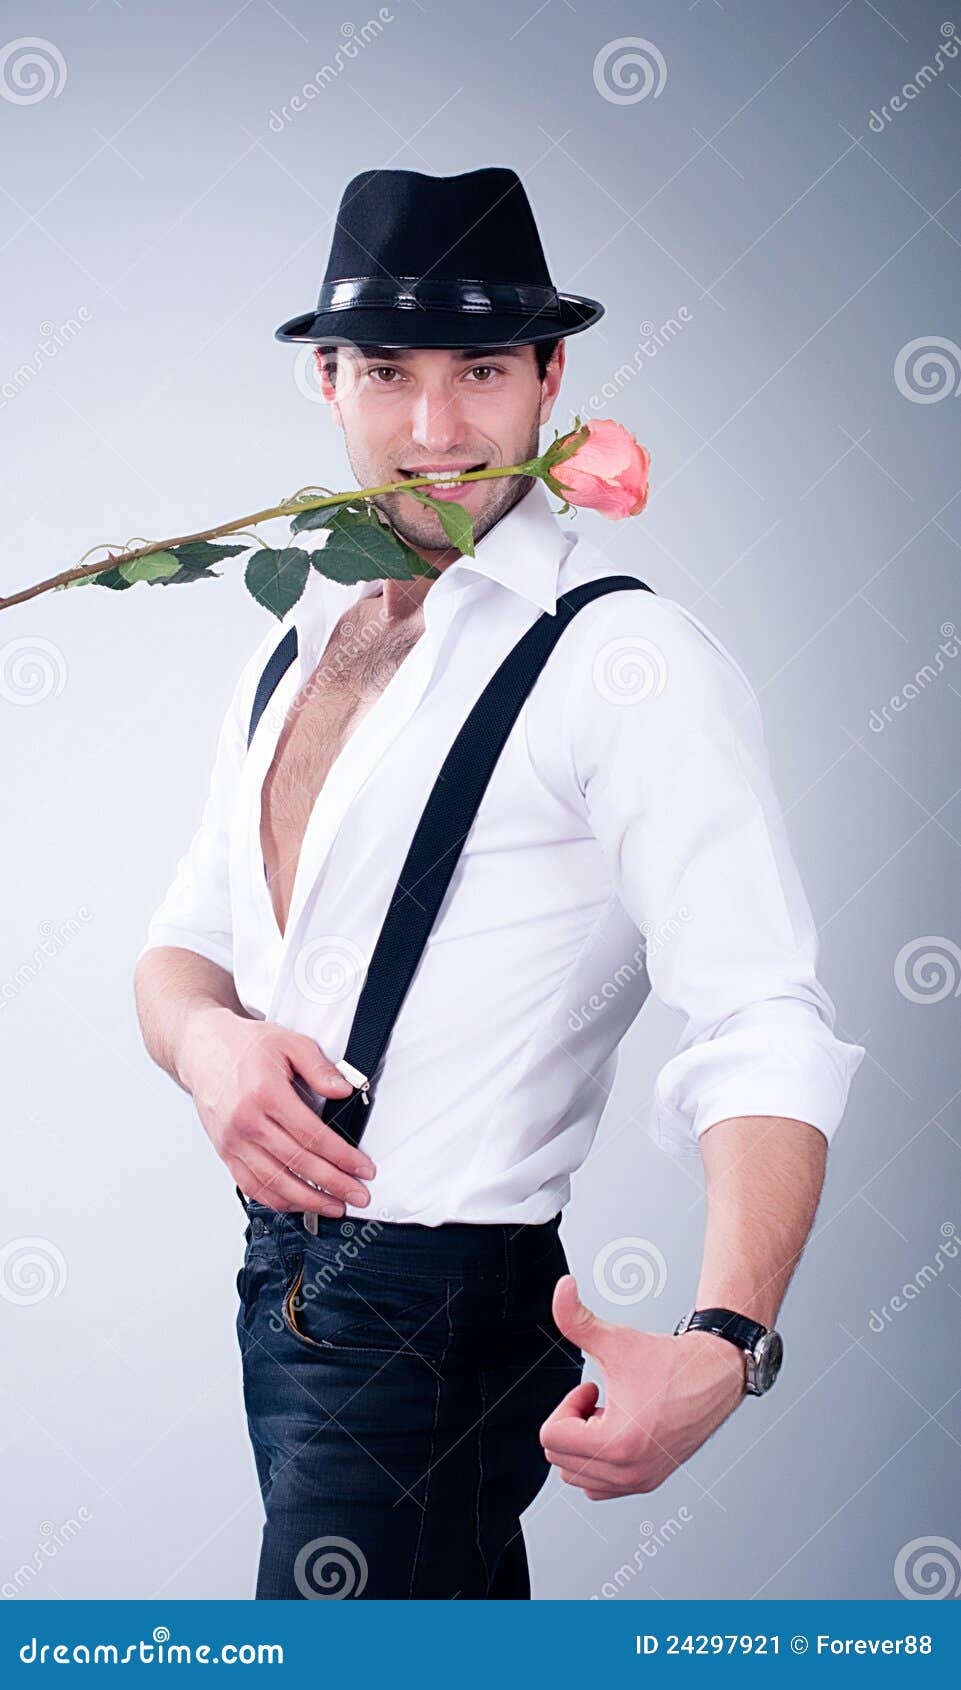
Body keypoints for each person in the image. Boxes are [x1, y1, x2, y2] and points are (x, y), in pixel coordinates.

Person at [133, 167, 866, 1599]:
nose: (434, 429)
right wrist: (209, 1043)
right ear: (327, 383)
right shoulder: (298, 645)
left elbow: (762, 1017)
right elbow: (182, 948)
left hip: (438, 1314)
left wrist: (727, 1340)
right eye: (388, 373)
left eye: (477, 371)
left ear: (548, 379)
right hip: (280, 1292)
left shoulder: (624, 662)